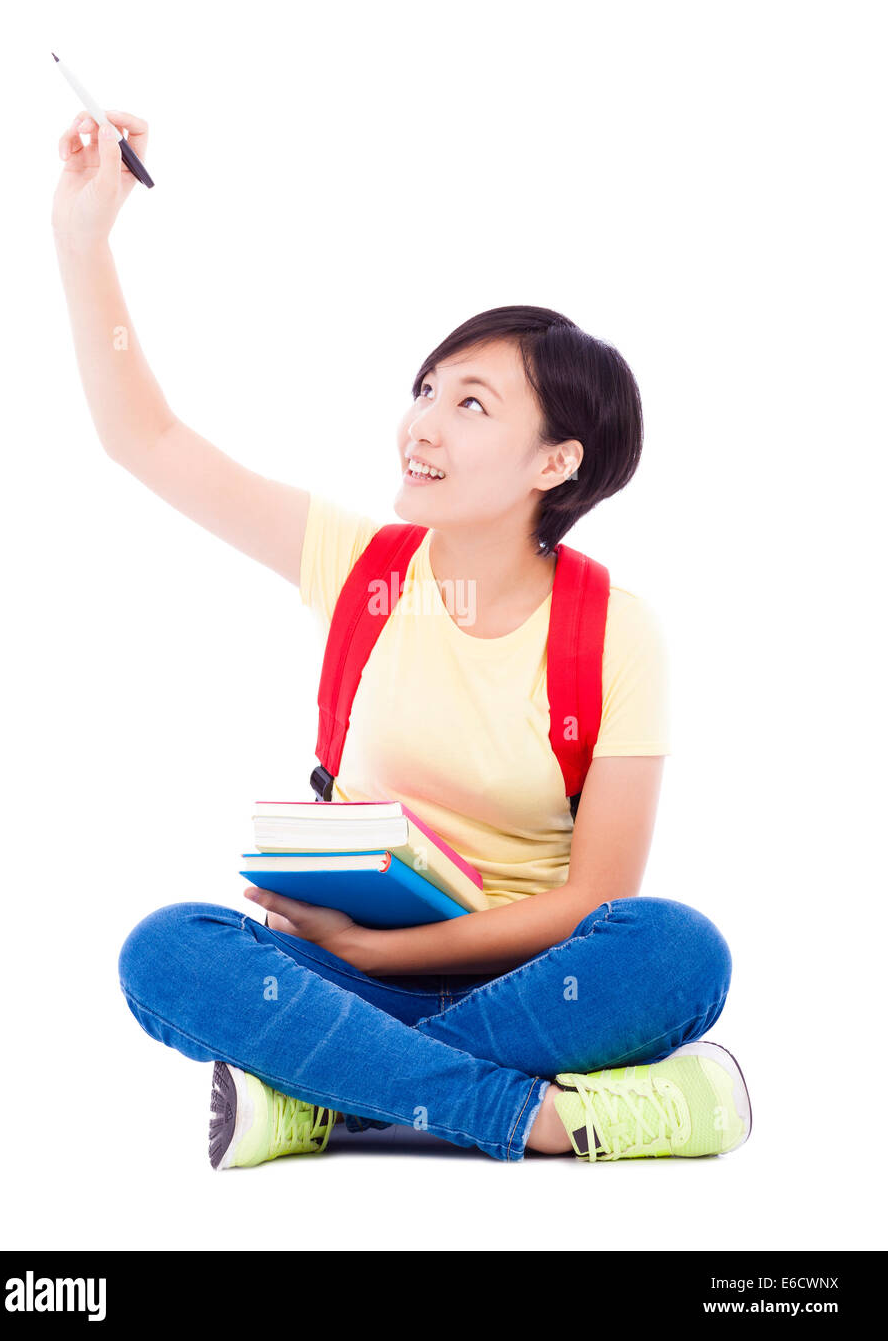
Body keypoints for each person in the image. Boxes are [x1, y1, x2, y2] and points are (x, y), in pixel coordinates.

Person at [53, 109, 751, 1169]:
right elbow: (143, 439)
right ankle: (532, 1114)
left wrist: (389, 946)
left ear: (554, 465)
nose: (422, 422)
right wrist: (84, 239)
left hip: (530, 984)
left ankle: (332, 1099)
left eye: (470, 404)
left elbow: (597, 898)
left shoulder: (617, 632)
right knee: (169, 953)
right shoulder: (357, 565)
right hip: (343, 973)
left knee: (675, 953)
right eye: (426, 390)